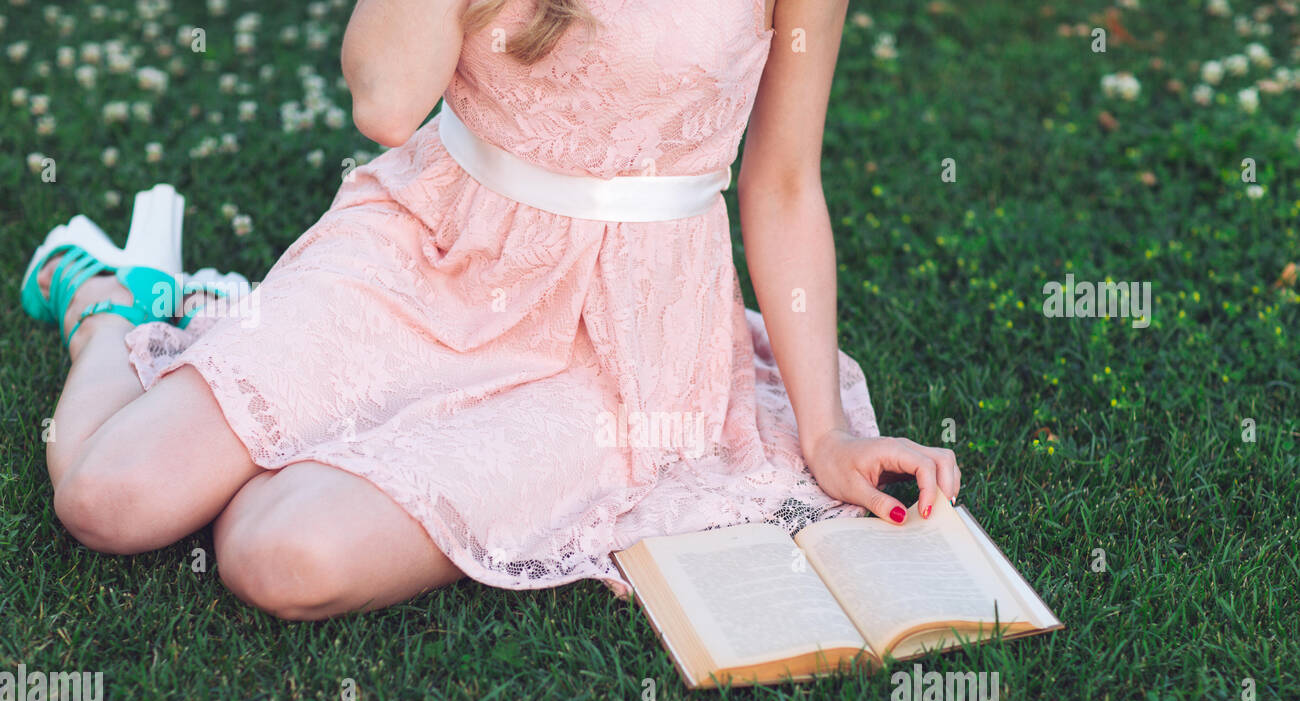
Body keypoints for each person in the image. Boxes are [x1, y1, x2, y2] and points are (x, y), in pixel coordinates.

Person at [20, 0, 959, 621]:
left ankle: (239, 359)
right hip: (427, 245)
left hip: (619, 338)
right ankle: (113, 301)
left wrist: (825, 434)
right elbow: (387, 100)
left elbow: (785, 181)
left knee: (281, 554)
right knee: (110, 498)